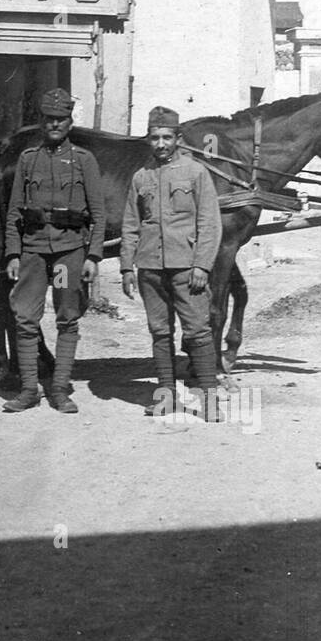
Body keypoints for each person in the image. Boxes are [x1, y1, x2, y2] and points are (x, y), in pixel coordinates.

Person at [3, 88, 106, 414]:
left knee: (67, 318)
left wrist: (93, 256)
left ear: (70, 121)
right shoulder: (28, 160)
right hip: (33, 250)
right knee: (25, 318)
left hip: (68, 251)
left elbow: (99, 213)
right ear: (41, 122)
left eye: (61, 119)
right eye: (49, 119)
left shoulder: (83, 160)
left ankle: (60, 389)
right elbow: (14, 212)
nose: (55, 125)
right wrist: (13, 253)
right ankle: (29, 389)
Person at [120, 105, 224, 423]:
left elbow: (210, 223)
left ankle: (208, 400)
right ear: (148, 140)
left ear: (178, 138)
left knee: (198, 332)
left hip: (186, 268)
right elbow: (130, 224)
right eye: (155, 138)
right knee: (160, 332)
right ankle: (166, 397)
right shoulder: (141, 177)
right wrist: (127, 267)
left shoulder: (196, 173)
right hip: (150, 268)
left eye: (167, 137)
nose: (161, 144)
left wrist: (202, 266)